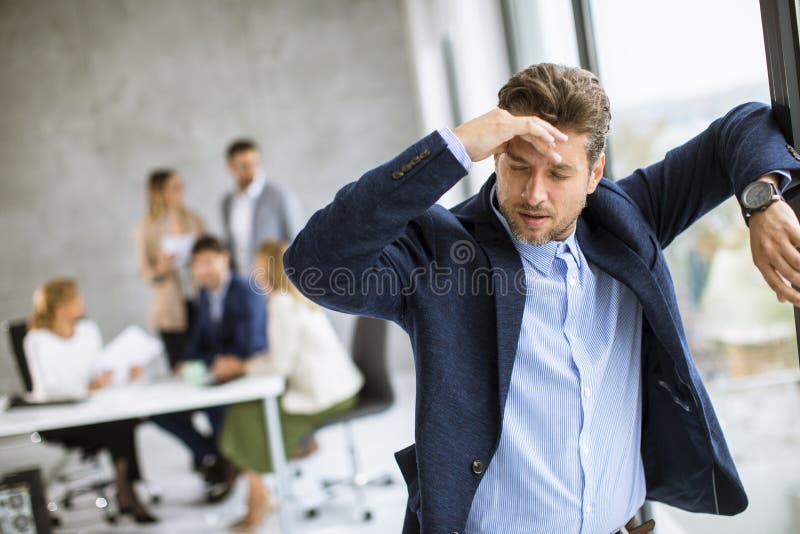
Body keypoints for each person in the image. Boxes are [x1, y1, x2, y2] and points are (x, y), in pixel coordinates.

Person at [283, 63, 800, 534]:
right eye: (517, 166)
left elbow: (745, 123)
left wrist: (762, 201)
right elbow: (315, 265)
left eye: (557, 174)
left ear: (594, 174)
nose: (534, 193)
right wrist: (455, 146)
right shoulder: (440, 255)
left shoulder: (627, 220)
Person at [211, 240, 364, 532]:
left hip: (323, 396)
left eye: (257, 263)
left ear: (269, 267)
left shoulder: (281, 303)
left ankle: (260, 500)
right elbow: (284, 356)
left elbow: (280, 365)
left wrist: (240, 366)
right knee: (244, 410)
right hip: (340, 387)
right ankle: (260, 496)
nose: (253, 270)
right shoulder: (297, 296)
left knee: (242, 417)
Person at [23, 278, 156, 523]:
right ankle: (127, 491)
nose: (82, 302)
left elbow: (102, 371)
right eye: (76, 298)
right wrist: (86, 388)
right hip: (62, 419)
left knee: (122, 421)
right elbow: (47, 389)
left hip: (97, 411)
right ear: (60, 305)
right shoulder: (36, 339)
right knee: (120, 426)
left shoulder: (88, 330)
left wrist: (126, 373)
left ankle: (125, 486)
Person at [151, 234, 267, 503]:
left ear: (224, 259)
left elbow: (249, 346)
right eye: (196, 265)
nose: (202, 271)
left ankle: (225, 463)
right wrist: (186, 361)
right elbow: (199, 339)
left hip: (242, 376)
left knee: (217, 410)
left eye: (207, 262)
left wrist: (209, 362)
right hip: (213, 374)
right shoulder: (204, 295)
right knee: (161, 413)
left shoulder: (246, 291)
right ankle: (217, 457)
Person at [134, 168, 205, 367]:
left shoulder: (193, 219)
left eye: (181, 186)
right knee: (180, 366)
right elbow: (144, 272)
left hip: (199, 299)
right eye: (175, 187)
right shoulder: (146, 227)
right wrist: (161, 267)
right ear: (160, 192)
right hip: (170, 308)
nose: (181, 191)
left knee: (205, 361)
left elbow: (210, 251)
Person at [221, 139, 304, 275]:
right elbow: (231, 245)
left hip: (275, 280)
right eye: (245, 166)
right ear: (231, 167)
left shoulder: (280, 195)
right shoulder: (227, 202)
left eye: (255, 163)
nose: (252, 170)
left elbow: (296, 239)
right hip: (243, 283)